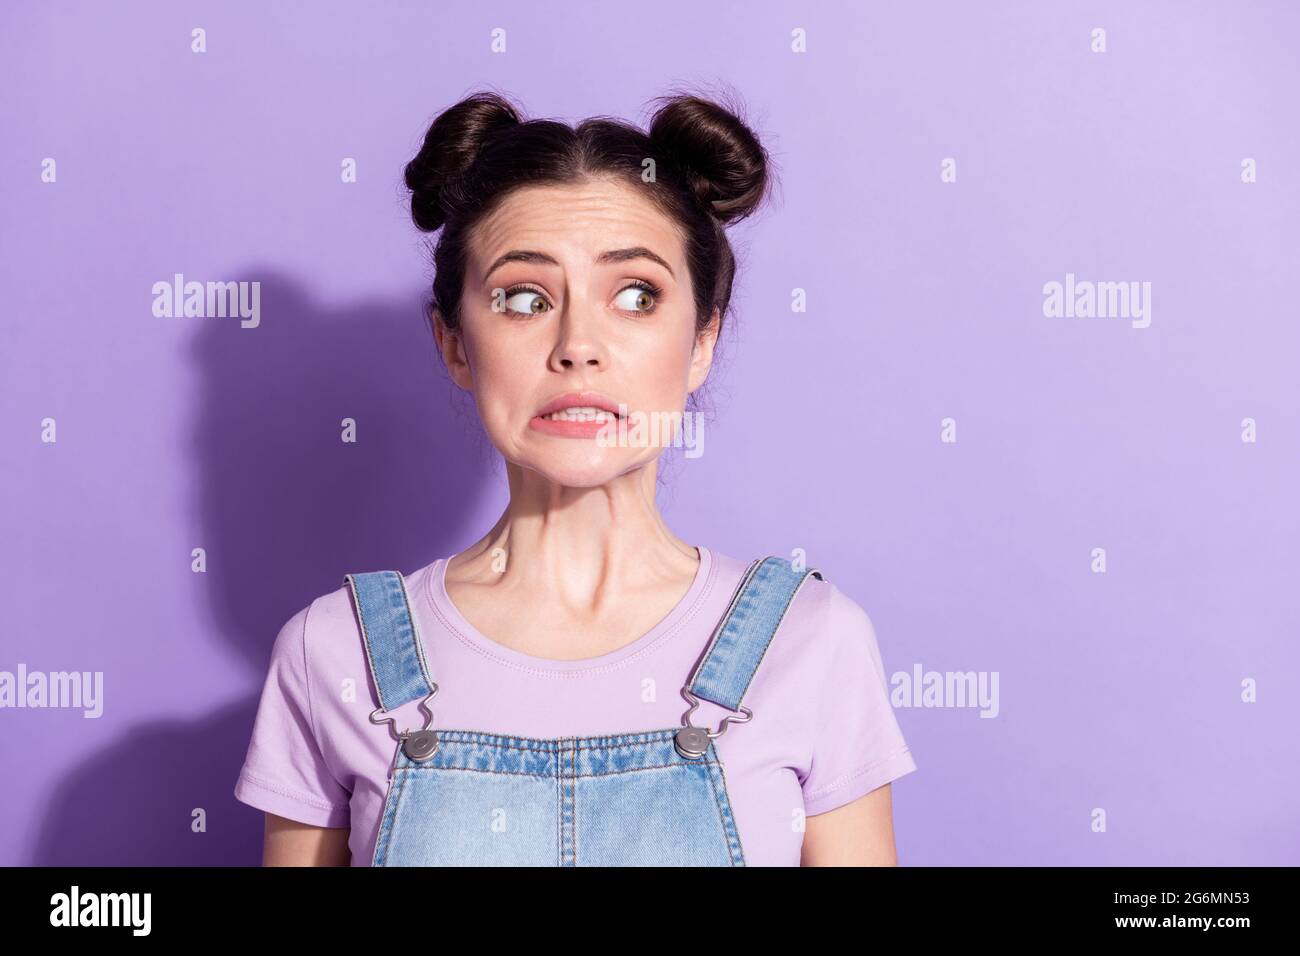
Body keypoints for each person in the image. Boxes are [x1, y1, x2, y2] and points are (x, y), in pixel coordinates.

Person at [234, 87, 917, 866]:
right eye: (524, 298)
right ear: (454, 343)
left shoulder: (811, 640)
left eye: (636, 296)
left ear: (702, 340)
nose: (578, 346)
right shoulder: (334, 653)